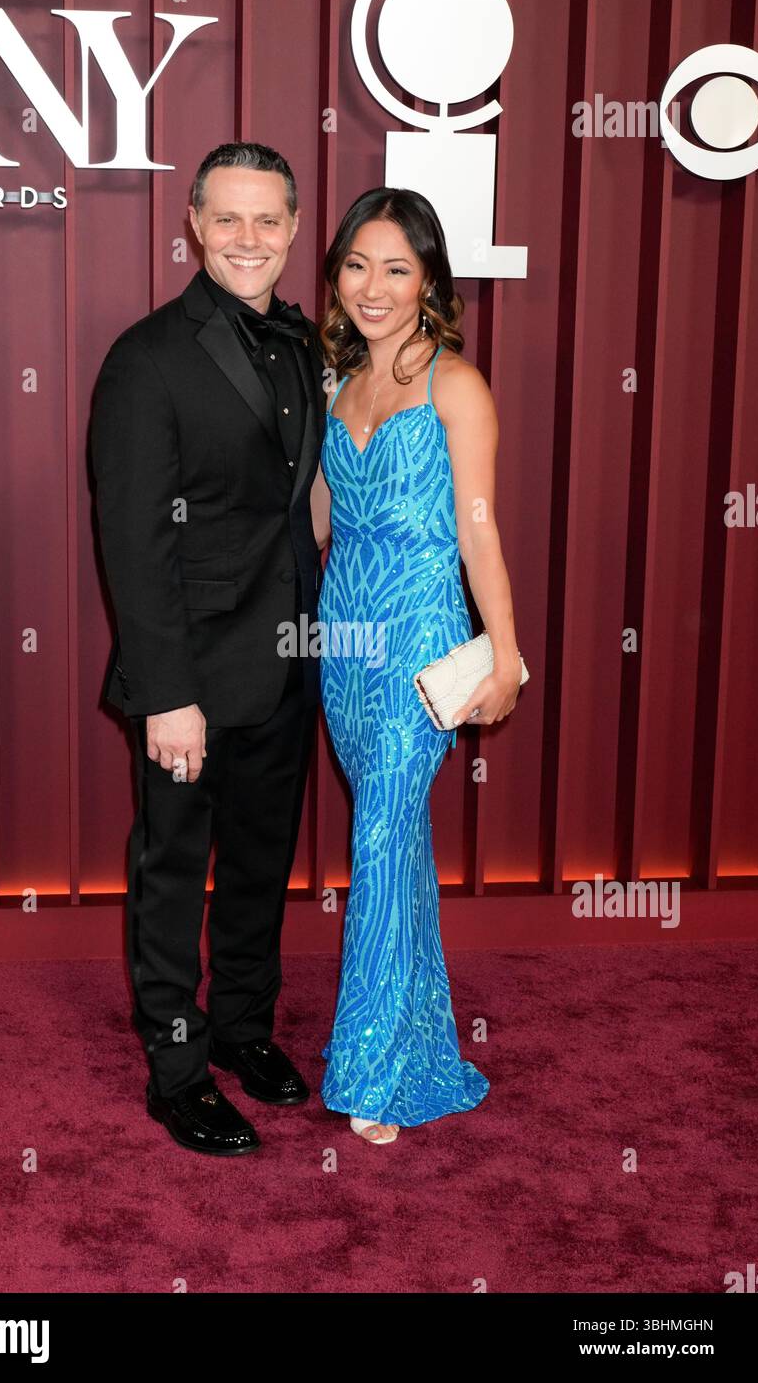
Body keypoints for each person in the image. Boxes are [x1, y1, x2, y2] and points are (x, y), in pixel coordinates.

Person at [90, 143, 326, 1157]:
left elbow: (298, 499)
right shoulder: (147, 357)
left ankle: (241, 1029)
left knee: (262, 865)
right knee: (175, 872)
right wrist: (164, 694)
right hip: (189, 675)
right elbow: (133, 544)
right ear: (192, 219)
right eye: (225, 218)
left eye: (266, 220)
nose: (246, 238)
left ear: (291, 225)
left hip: (287, 657)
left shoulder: (304, 341)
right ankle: (177, 1066)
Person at [310, 187, 525, 1145]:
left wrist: (507, 654)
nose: (374, 285)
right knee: (389, 842)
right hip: (343, 636)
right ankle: (420, 1035)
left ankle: (372, 1064)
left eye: (396, 267)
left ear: (429, 279)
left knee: (383, 836)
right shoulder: (335, 381)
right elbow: (317, 523)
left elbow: (479, 533)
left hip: (423, 641)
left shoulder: (456, 385)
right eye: (357, 264)